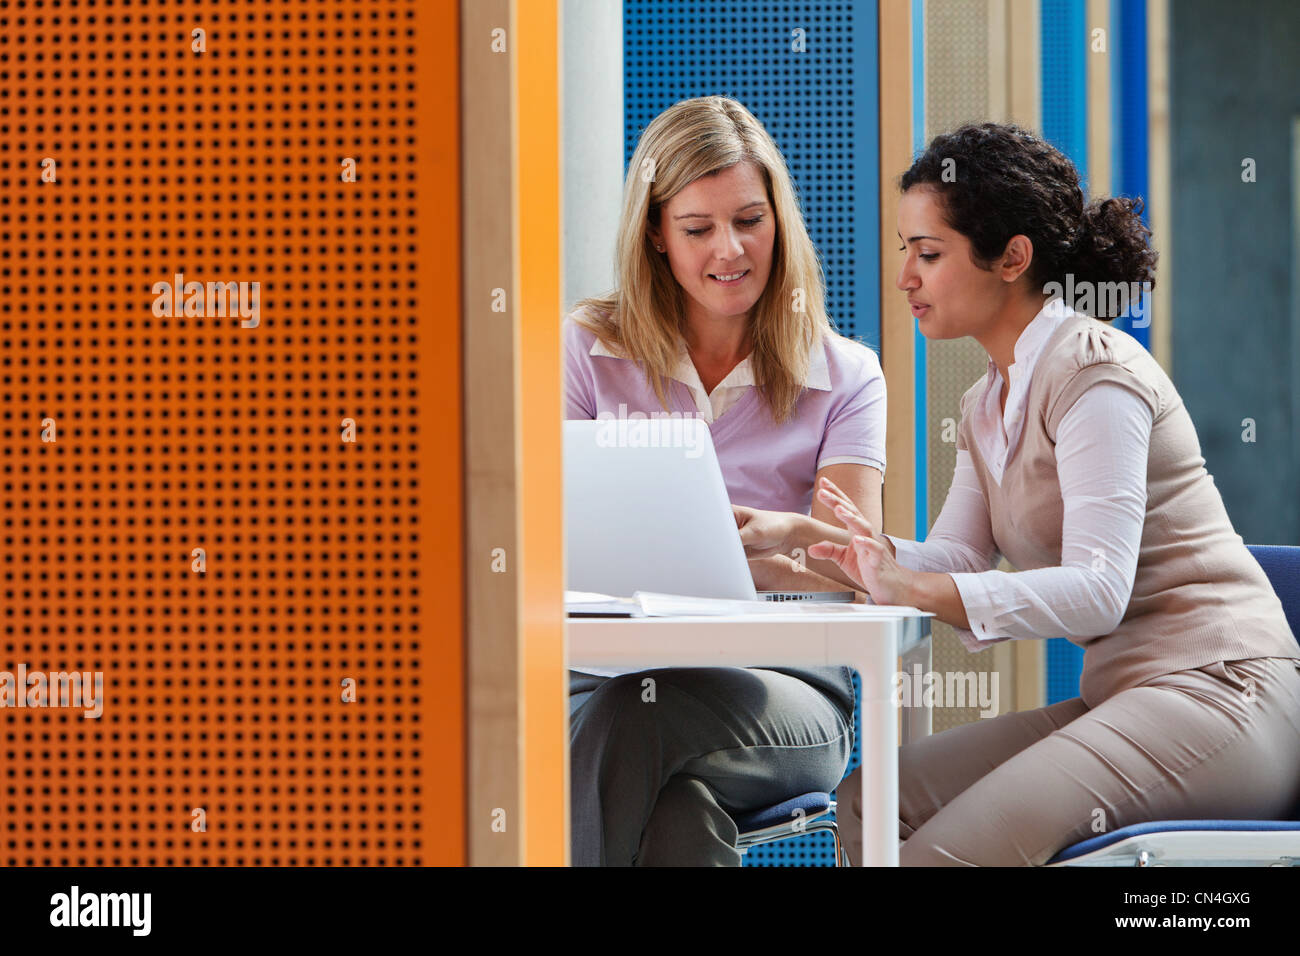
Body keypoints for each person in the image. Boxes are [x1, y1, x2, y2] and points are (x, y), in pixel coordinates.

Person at [736, 122, 1300, 866]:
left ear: (1013, 258)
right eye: (906, 249)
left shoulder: (1094, 376)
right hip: (1127, 700)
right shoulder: (985, 402)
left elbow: (1099, 590)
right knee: (867, 802)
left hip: (1223, 696)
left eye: (928, 253)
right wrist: (802, 541)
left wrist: (922, 588)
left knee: (939, 856)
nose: (905, 275)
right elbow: (957, 558)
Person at [563, 95, 887, 865]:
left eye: (749, 220)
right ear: (655, 235)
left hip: (785, 693)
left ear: (780, 218)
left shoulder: (845, 377)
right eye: (698, 228)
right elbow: (549, 541)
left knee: (626, 727)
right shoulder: (586, 350)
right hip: (607, 677)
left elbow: (850, 568)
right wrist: (754, 559)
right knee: (675, 818)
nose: (730, 250)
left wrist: (779, 559)